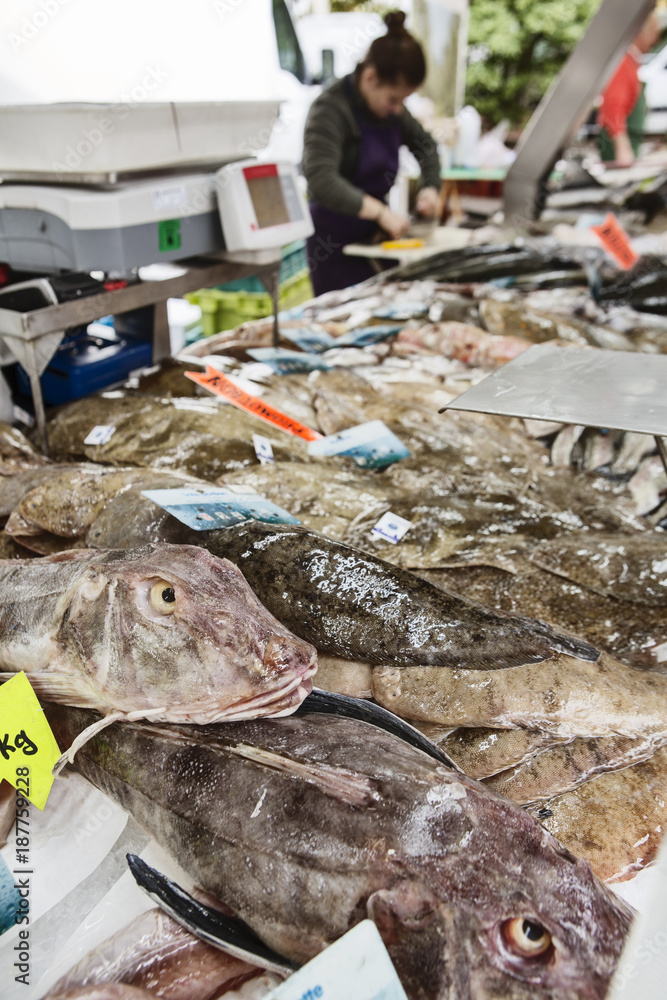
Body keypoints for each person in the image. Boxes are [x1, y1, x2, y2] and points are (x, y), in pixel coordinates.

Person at [302, 10, 441, 296]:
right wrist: (380, 212)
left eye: (403, 101)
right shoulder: (329, 110)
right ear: (370, 77)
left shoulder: (392, 112)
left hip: (376, 240)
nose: (398, 109)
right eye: (393, 99)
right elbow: (321, 179)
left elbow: (426, 147)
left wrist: (430, 188)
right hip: (333, 246)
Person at [597, 11, 661, 166]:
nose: (656, 39)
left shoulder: (632, 61)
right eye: (653, 33)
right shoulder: (623, 62)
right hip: (616, 144)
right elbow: (613, 106)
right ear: (640, 33)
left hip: (627, 140)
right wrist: (622, 148)